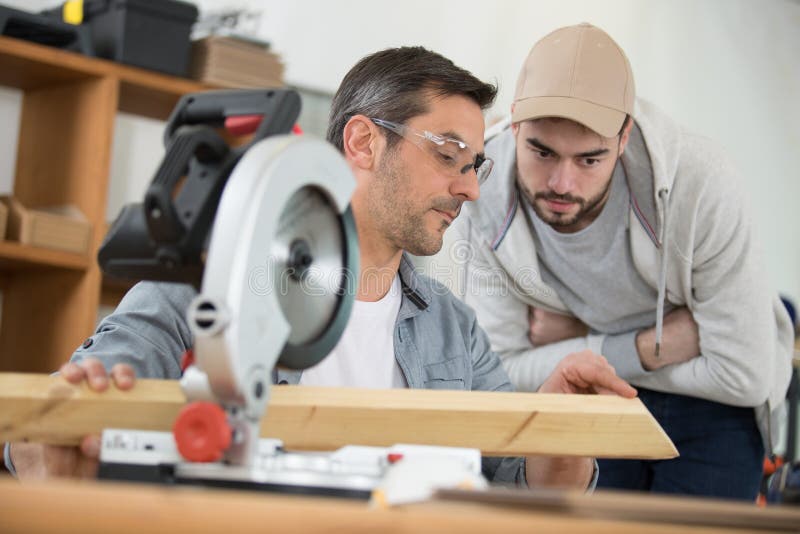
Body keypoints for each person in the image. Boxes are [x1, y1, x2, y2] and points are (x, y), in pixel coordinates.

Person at [6, 46, 635, 489]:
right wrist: (51, 440)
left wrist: (563, 425)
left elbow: (519, 486)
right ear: (363, 142)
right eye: (450, 155)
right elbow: (61, 418)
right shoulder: (208, 286)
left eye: (477, 165)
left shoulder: (455, 331)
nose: (469, 189)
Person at [442, 23, 794, 500]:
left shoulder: (701, 183)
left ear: (624, 135)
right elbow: (503, 371)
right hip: (591, 394)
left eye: (590, 159)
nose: (562, 183)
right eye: (541, 152)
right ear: (515, 126)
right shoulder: (481, 188)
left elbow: (744, 376)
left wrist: (578, 340)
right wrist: (655, 344)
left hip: (713, 409)